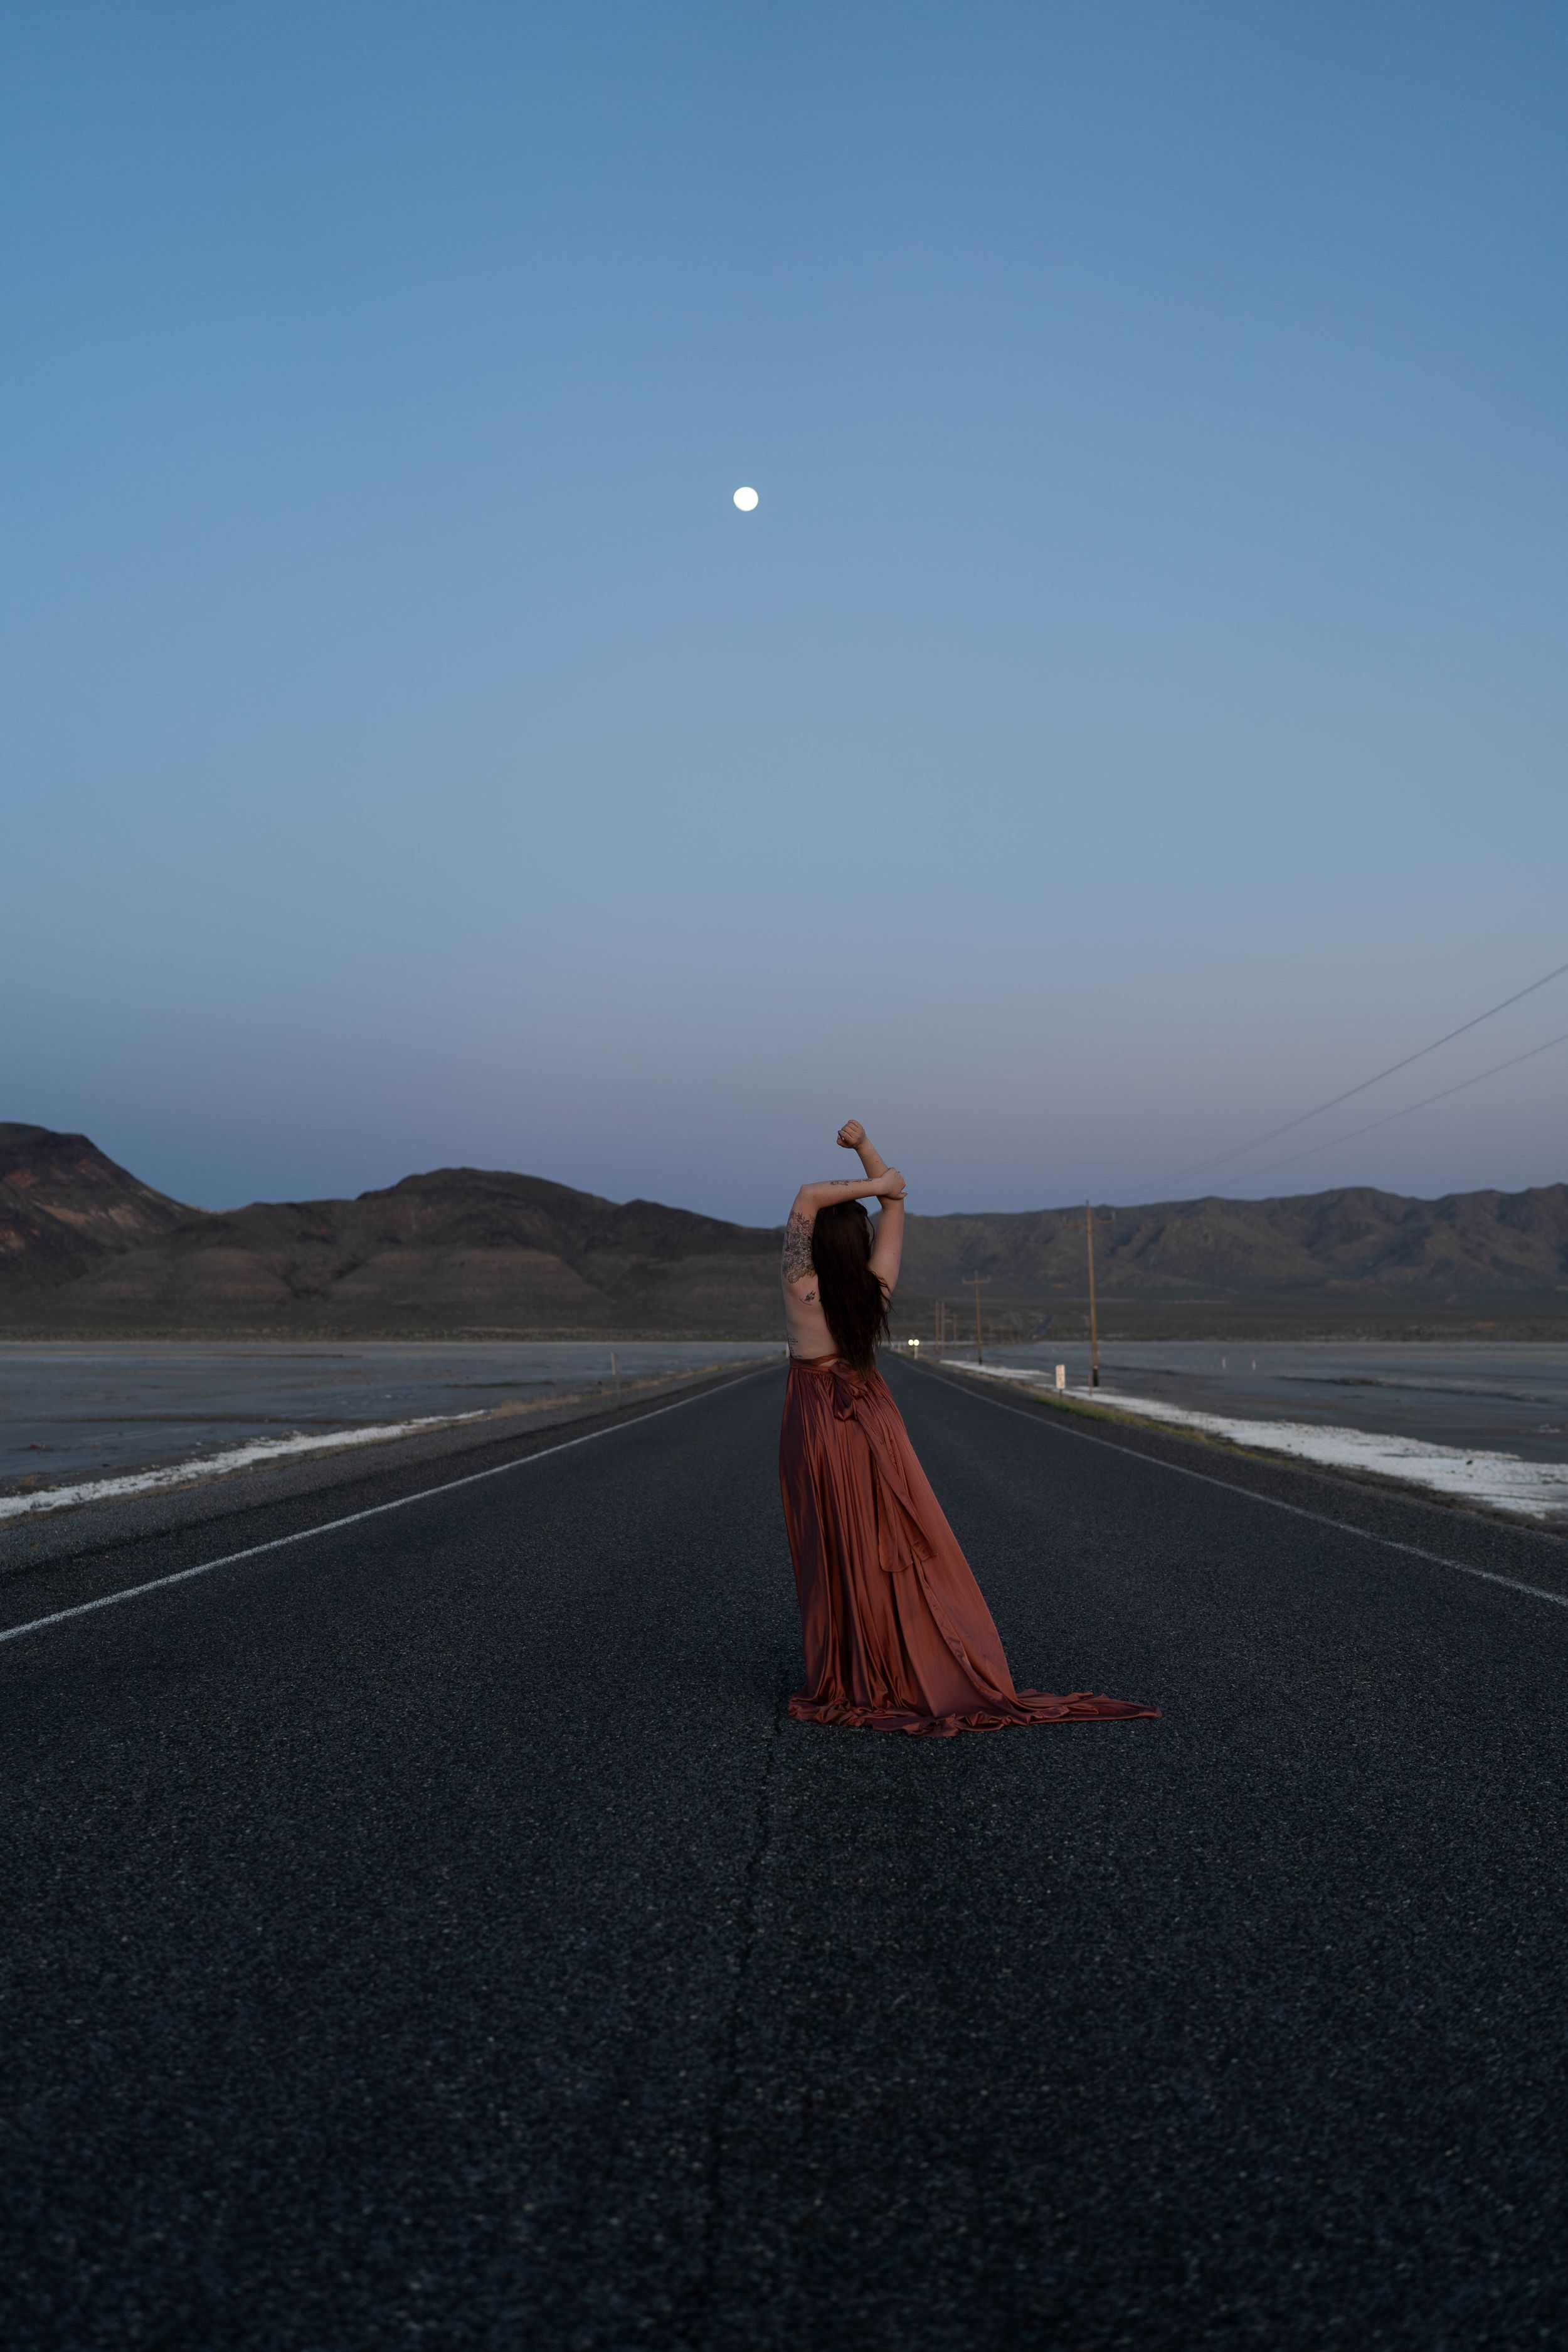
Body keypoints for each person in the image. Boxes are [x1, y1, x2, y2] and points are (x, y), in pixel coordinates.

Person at [778, 1121, 1158, 1737]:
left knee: (832, 1545)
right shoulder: (873, 1287)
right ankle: (900, 1661)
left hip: (815, 1423)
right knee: (886, 1544)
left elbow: (804, 1195)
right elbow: (896, 1199)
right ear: (860, 1242)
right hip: (872, 1418)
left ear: (817, 1245)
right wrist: (875, 1162)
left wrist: (868, 1174)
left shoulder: (801, 1289)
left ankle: (850, 1671)